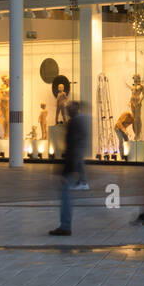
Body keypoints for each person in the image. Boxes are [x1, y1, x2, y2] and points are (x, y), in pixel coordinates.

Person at [51, 101, 89, 236]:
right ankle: (65, 225)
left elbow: (72, 146)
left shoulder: (75, 123)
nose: (67, 110)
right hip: (73, 163)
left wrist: (65, 170)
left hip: (71, 164)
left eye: (69, 108)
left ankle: (65, 226)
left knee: (65, 195)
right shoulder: (79, 122)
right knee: (66, 194)